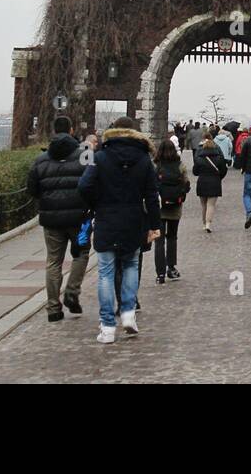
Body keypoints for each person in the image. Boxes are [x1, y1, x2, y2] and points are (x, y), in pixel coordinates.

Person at [77, 118, 161, 344]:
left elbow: (84, 186)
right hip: (133, 219)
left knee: (105, 271)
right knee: (131, 265)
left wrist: (97, 205)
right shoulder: (143, 159)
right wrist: (155, 225)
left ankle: (107, 327)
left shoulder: (100, 157)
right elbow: (152, 195)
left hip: (106, 218)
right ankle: (128, 314)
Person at [26, 116, 90, 322]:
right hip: (80, 219)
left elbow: (32, 189)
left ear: (54, 130)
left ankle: (53, 307)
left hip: (51, 219)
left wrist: (47, 200)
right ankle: (72, 290)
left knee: (53, 261)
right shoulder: (85, 156)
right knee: (81, 253)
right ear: (71, 130)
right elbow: (92, 184)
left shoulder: (41, 159)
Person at [154, 138, 190, 282]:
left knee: (159, 241)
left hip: (159, 206)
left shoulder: (155, 165)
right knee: (172, 237)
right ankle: (172, 267)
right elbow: (186, 183)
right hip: (175, 206)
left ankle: (160, 273)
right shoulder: (180, 165)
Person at [192, 134, 228, 232]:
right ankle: (208, 224)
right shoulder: (219, 158)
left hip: (202, 181)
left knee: (203, 205)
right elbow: (224, 170)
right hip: (214, 182)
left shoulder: (199, 158)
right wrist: (219, 177)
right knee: (211, 205)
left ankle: (204, 223)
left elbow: (195, 172)